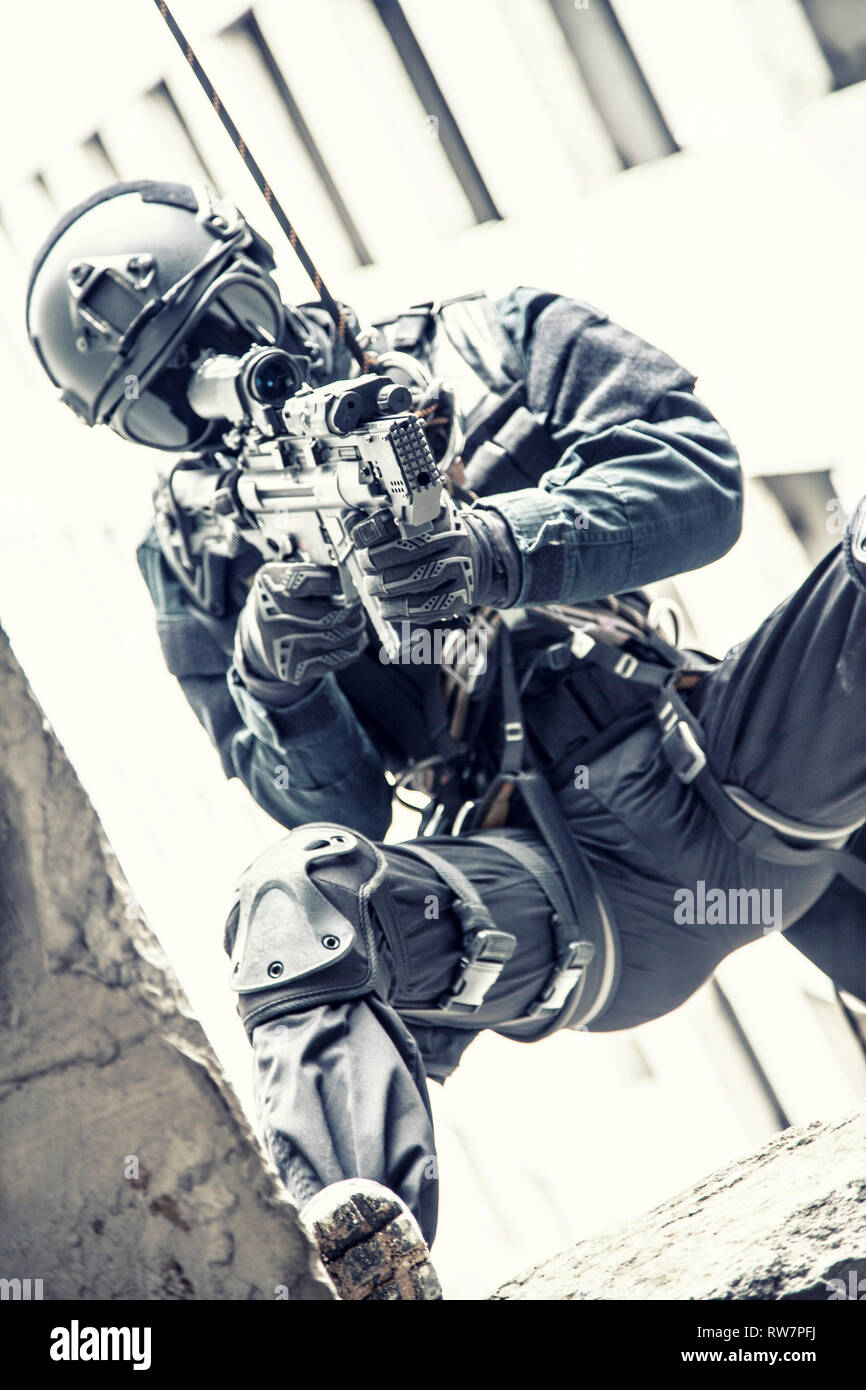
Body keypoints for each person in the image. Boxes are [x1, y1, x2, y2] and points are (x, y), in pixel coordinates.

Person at [26, 180, 866, 1299]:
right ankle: (355, 1256)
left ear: (265, 281)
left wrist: (496, 546)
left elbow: (699, 482)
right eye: (164, 406)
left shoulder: (491, 341)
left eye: (222, 335)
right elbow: (343, 816)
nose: (212, 392)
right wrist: (280, 682)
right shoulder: (198, 562)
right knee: (293, 897)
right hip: (564, 896)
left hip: (725, 759)